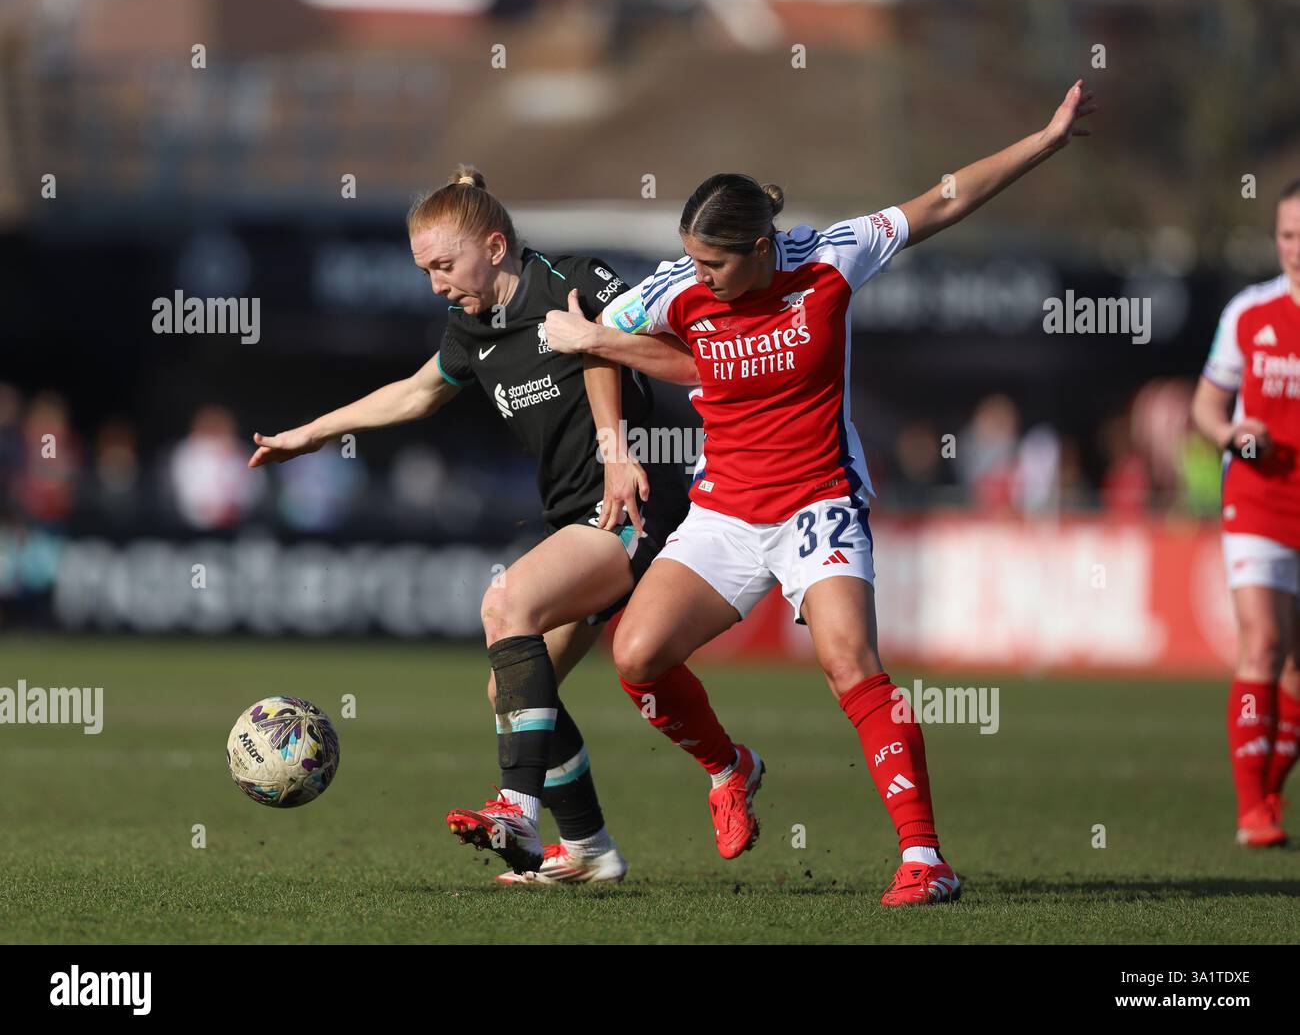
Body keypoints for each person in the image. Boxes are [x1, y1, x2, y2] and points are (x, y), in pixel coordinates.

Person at [545, 81, 1096, 904]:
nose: (698, 274)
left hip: (818, 502)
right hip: (725, 511)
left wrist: (1044, 142)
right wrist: (615, 448)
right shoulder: (676, 291)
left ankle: (924, 858)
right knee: (636, 655)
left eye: (713, 261)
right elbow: (595, 341)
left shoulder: (830, 256)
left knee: (849, 663)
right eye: (692, 258)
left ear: (762, 247)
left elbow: (943, 200)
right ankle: (730, 768)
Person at [249, 166, 699, 883]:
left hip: (637, 504)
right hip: (579, 517)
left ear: (494, 245)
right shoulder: (472, 326)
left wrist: (620, 447)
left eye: (442, 264)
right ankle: (588, 848)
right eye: (424, 269)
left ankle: (518, 808)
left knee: (505, 601)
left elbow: (681, 356)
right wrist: (311, 432)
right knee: (514, 690)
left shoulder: (575, 280)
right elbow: (417, 392)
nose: (434, 284)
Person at [1191, 178, 1300, 847]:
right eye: (1288, 235)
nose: (1296, 249)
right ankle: (1250, 808)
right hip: (1258, 500)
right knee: (1261, 642)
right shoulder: (1249, 313)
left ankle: (1269, 791)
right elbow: (1205, 408)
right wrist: (1232, 434)